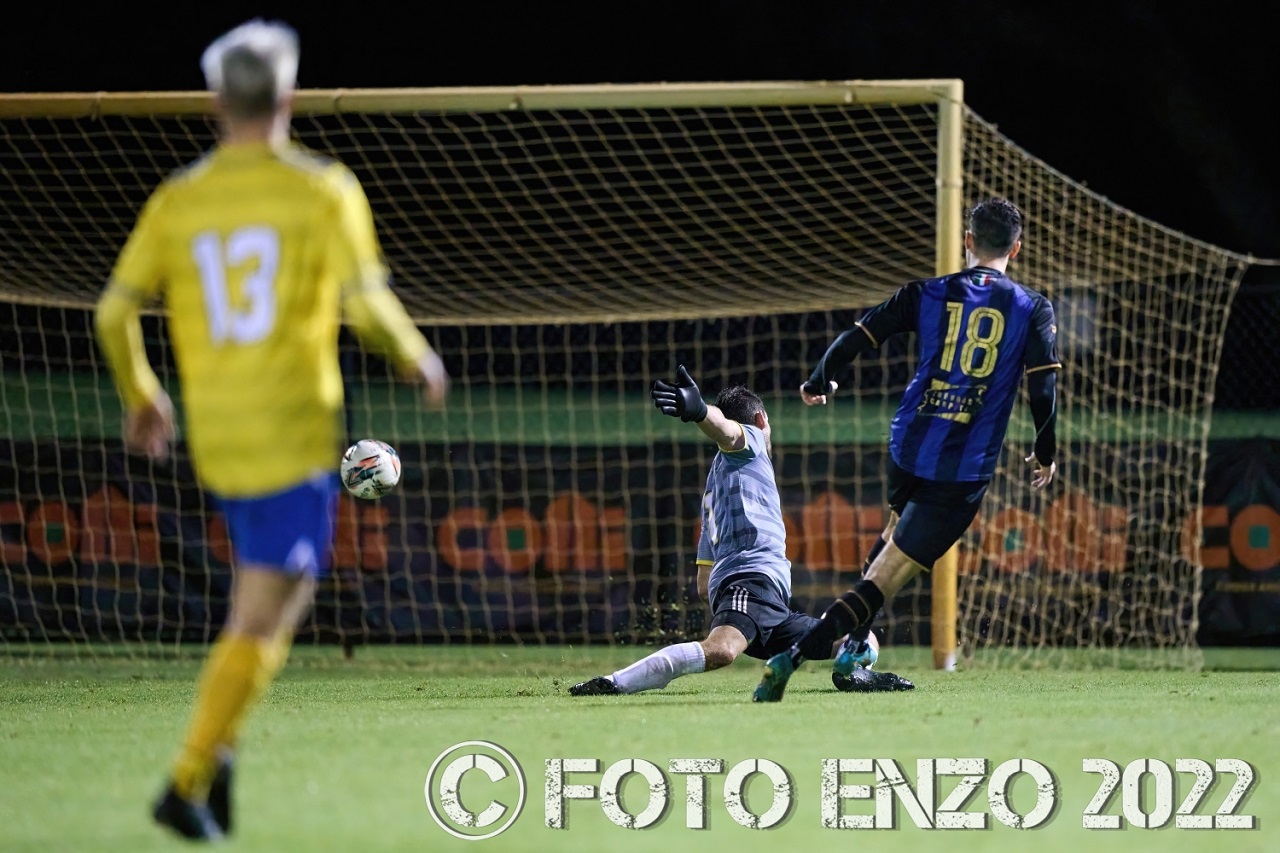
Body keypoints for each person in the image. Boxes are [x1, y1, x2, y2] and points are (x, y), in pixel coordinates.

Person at [93, 20, 448, 841]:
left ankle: (220, 764)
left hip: (216, 435)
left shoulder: (179, 198)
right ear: (288, 98)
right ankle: (187, 780)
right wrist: (416, 355)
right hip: (292, 433)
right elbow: (363, 301)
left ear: (218, 102)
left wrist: (143, 396)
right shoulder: (323, 190)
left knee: (259, 607)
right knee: (266, 615)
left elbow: (115, 313)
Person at [753, 197, 1060, 702]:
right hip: (960, 471)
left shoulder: (928, 293)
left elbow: (858, 335)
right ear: (1017, 249)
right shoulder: (1032, 307)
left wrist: (820, 378)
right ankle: (795, 658)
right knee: (888, 576)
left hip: (907, 446)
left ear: (967, 242)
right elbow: (1042, 391)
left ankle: (853, 655)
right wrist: (1044, 452)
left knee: (891, 542)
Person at [568, 366, 913, 697]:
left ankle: (849, 671)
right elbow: (728, 431)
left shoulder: (715, 487)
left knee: (860, 637)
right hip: (751, 585)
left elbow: (703, 584)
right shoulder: (751, 445)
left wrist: (724, 597)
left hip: (770, 607)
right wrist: (701, 411)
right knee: (720, 651)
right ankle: (614, 683)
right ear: (762, 420)